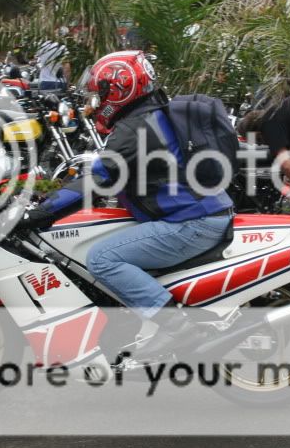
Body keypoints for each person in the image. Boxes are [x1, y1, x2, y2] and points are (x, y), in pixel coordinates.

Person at [20, 51, 233, 356]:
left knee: (102, 259)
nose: (95, 101)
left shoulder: (136, 129)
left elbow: (98, 177)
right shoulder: (152, 115)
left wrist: (40, 211)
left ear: (120, 89)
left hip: (191, 222)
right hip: (200, 213)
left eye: (100, 93)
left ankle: (177, 327)